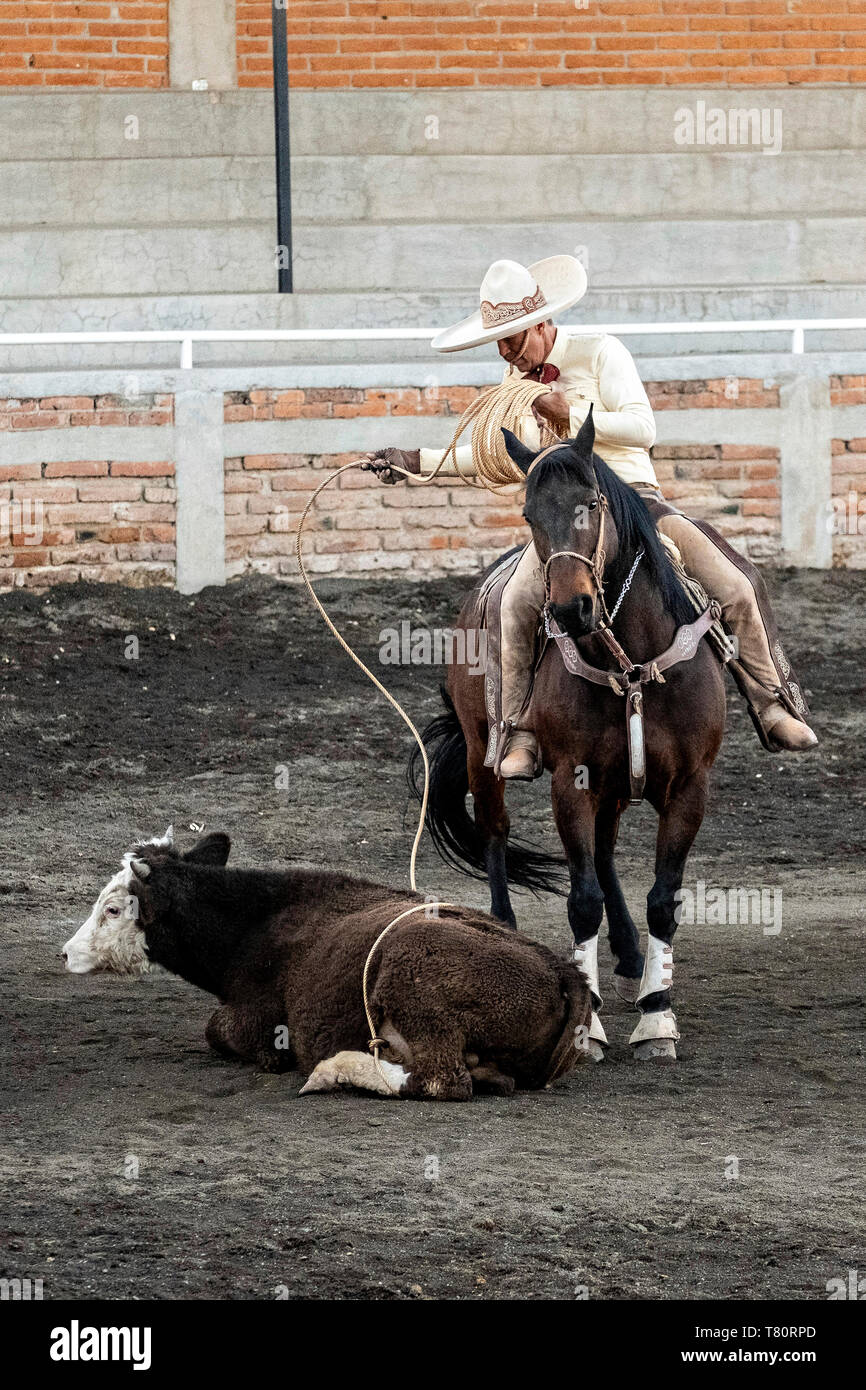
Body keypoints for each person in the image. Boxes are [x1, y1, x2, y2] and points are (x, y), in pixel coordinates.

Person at [362, 256, 816, 779]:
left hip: (637, 503)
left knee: (735, 582)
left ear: (541, 323)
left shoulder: (601, 353)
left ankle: (773, 702)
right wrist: (416, 463)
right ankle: (519, 730)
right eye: (499, 341)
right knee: (515, 601)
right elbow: (498, 457)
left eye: (512, 338)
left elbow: (643, 428)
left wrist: (570, 415)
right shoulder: (516, 384)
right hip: (566, 521)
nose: (505, 351)